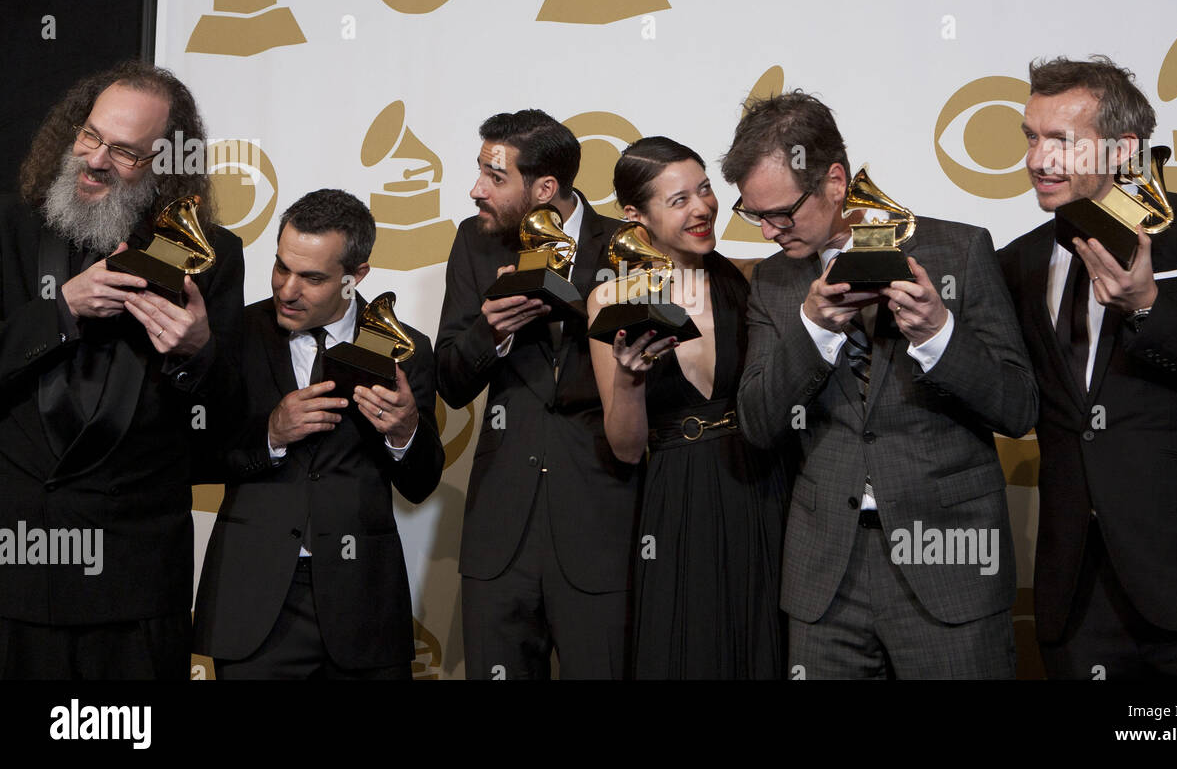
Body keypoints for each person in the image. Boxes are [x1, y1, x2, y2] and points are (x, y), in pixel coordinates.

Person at [726, 91, 1036, 679]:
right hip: (827, 575)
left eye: (782, 213)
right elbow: (759, 422)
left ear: (836, 181)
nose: (768, 231)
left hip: (951, 562)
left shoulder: (959, 250)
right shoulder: (774, 282)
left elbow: (1018, 408)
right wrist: (813, 329)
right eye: (753, 214)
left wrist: (940, 334)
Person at [998, 56, 1177, 679]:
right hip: (1078, 600)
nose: (1038, 160)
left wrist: (1149, 308)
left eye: (1062, 141)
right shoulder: (1014, 264)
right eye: (1031, 137)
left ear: (1123, 150)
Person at [0, 60, 244, 679]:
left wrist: (198, 352)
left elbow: (226, 433)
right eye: (91, 136)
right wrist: (61, 310)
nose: (98, 159)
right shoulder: (10, 227)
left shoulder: (213, 254)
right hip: (16, 575)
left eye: (127, 152)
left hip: (132, 586)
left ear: (165, 164)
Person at [193, 189, 443, 679]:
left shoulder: (406, 349)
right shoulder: (232, 334)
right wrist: (271, 434)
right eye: (281, 267)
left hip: (363, 608)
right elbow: (194, 456)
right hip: (257, 607)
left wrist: (404, 432)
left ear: (356, 277)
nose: (287, 290)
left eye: (311, 277)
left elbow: (421, 483)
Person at [436, 109, 635, 679]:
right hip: (501, 532)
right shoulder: (474, 243)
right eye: (480, 171)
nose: (476, 190)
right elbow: (451, 381)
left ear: (545, 188)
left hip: (601, 525)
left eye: (495, 178)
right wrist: (489, 331)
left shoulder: (626, 244)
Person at [588, 136, 786, 679]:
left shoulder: (753, 277)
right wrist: (630, 380)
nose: (701, 207)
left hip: (761, 485)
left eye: (705, 190)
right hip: (675, 499)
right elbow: (627, 449)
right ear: (636, 216)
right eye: (679, 200)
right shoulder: (612, 301)